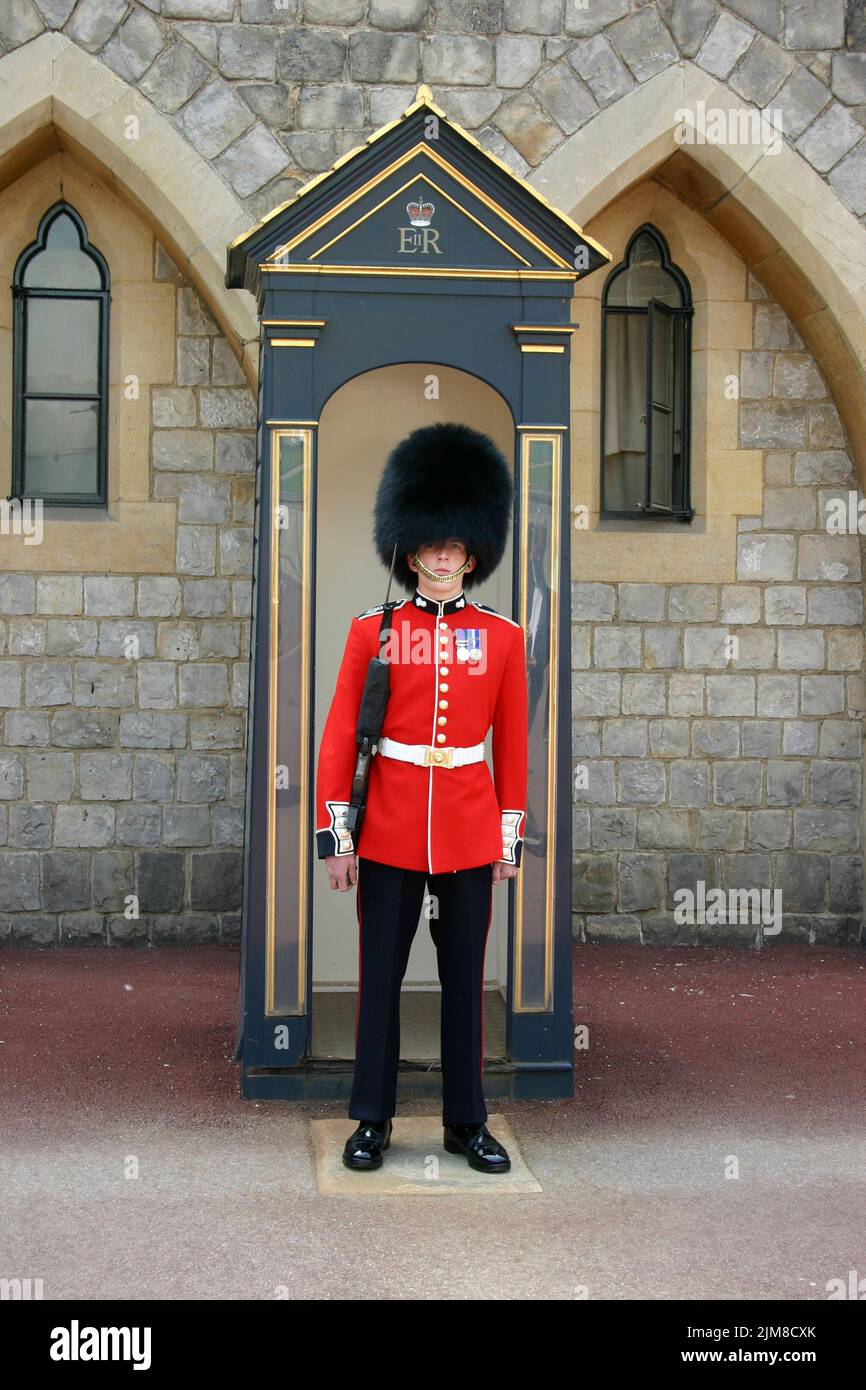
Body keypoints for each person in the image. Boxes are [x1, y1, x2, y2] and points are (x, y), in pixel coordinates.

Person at [314, 422, 528, 1173]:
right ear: (410, 550)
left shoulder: (501, 639)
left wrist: (506, 840)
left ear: (473, 552)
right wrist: (337, 841)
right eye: (431, 542)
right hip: (391, 830)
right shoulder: (373, 631)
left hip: (470, 830)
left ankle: (465, 1123)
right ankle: (371, 1118)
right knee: (381, 980)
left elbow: (513, 745)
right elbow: (340, 736)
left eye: (456, 544)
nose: (443, 554)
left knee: (465, 982)